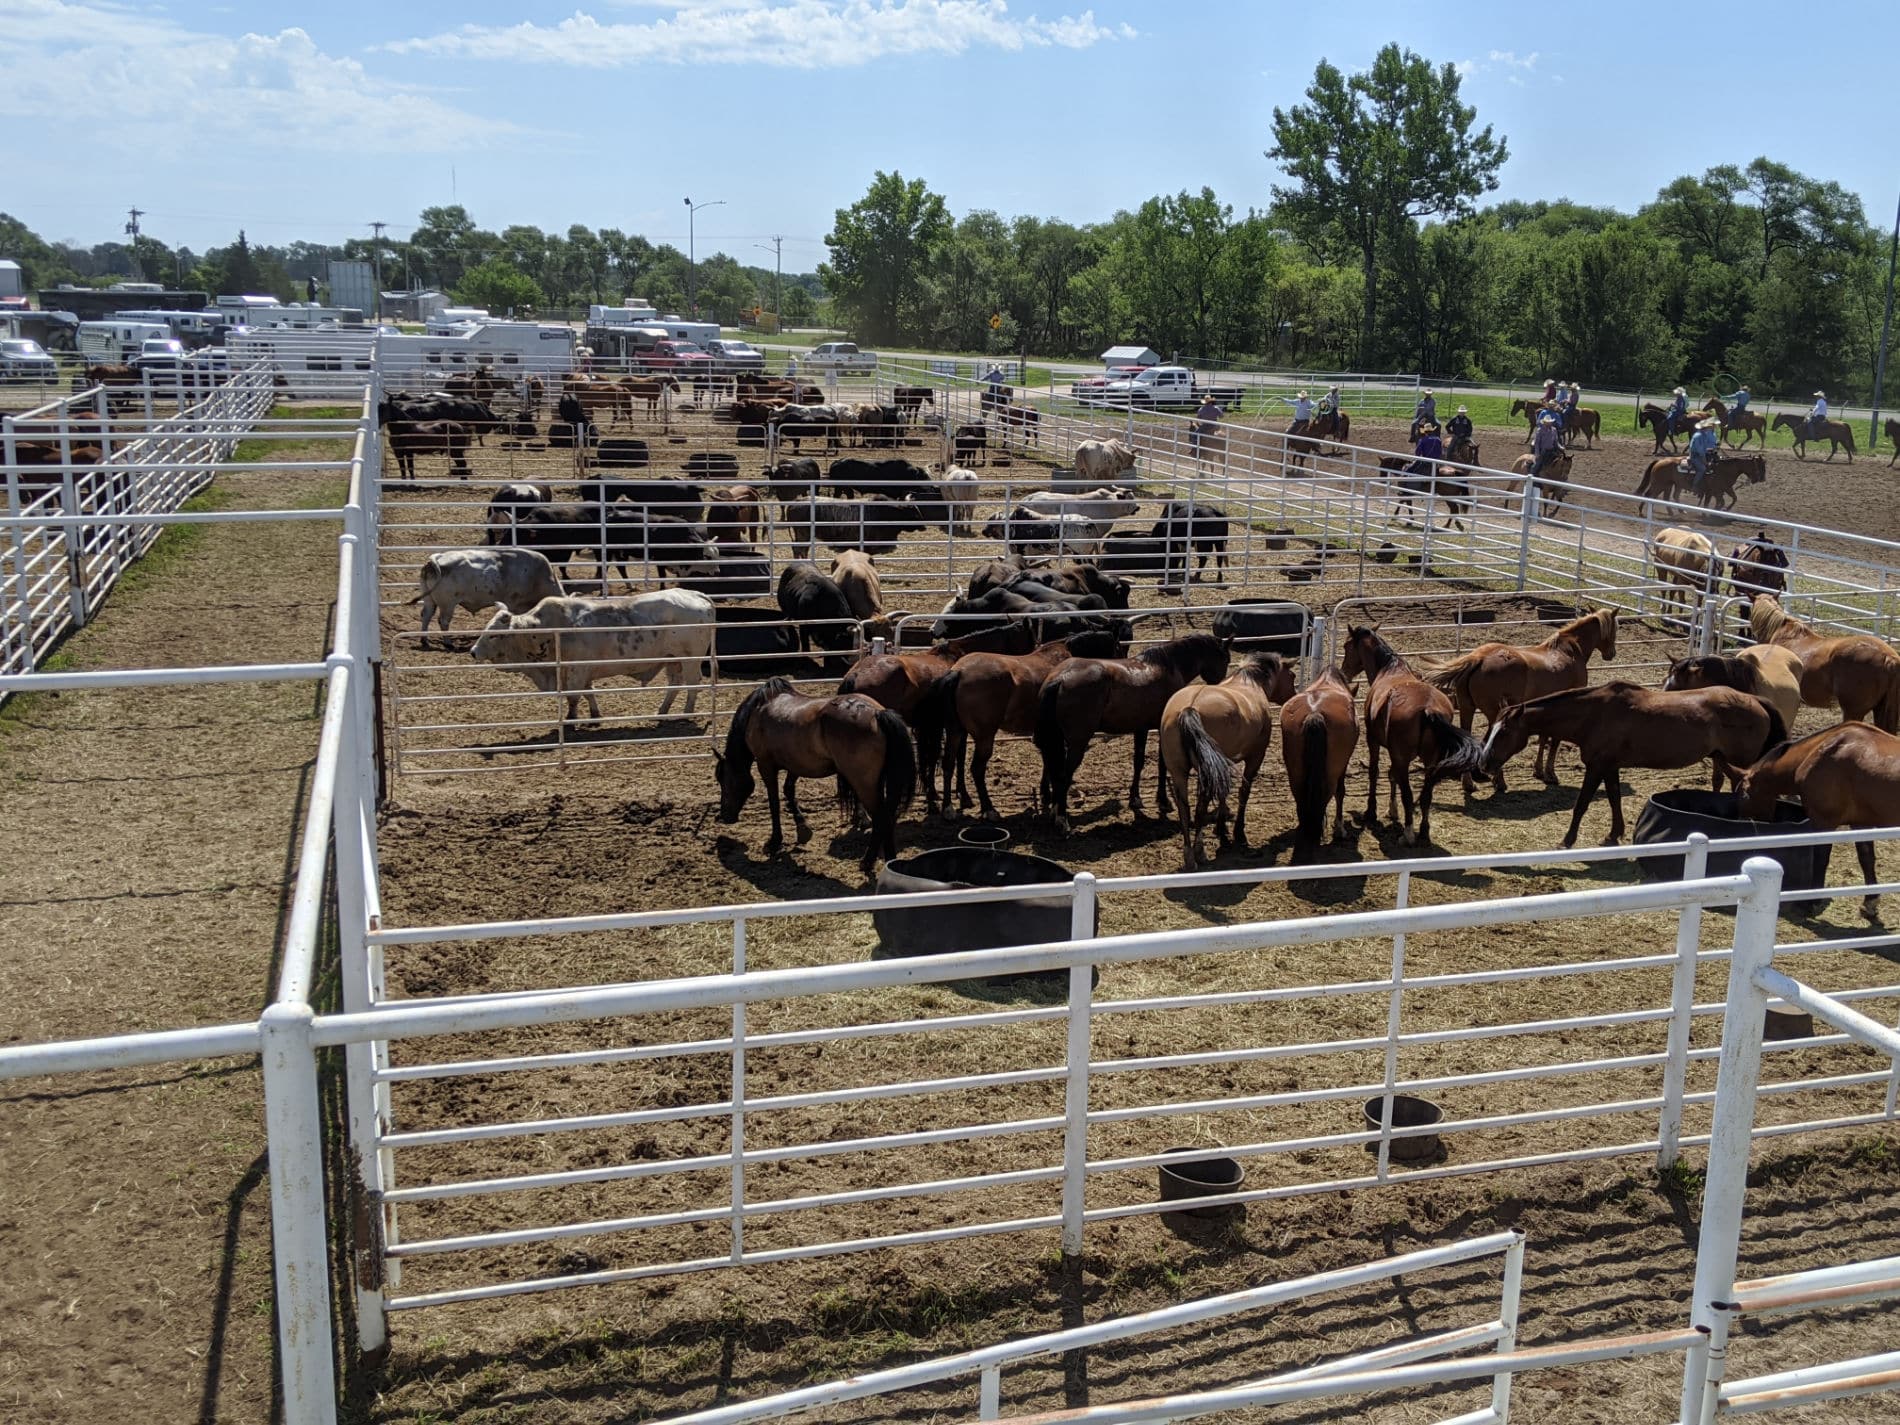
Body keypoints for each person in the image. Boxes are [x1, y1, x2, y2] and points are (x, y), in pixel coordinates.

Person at [1686, 416, 1721, 494]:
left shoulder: (1703, 435)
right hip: (1695, 456)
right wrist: (1704, 460)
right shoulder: (1698, 436)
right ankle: (1694, 486)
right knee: (1702, 469)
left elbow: (1705, 448)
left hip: (1702, 454)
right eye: (1707, 426)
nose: (1709, 427)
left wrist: (1714, 448)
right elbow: (1700, 451)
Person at [1529, 407, 1563, 478]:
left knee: (1561, 461)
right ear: (1544, 423)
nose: (1548, 423)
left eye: (1549, 422)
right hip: (1543, 451)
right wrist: (1537, 453)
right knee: (1537, 464)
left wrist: (1560, 447)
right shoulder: (1540, 431)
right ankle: (1531, 476)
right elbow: (1537, 443)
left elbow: (1556, 441)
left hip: (1552, 450)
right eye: (1547, 422)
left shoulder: (1554, 430)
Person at [1192, 395, 1223, 460]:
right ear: (1211, 402)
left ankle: (1194, 450)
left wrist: (1200, 423)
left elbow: (1198, 418)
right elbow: (1221, 416)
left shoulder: (1201, 409)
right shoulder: (1216, 408)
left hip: (1205, 427)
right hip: (1214, 426)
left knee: (1194, 435)